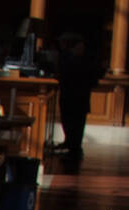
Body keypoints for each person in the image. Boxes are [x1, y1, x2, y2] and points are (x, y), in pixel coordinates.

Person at [56, 33, 98, 166]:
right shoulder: (66, 58)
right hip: (69, 96)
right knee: (68, 122)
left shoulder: (86, 60)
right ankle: (70, 144)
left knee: (77, 125)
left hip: (80, 97)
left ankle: (74, 150)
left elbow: (94, 78)